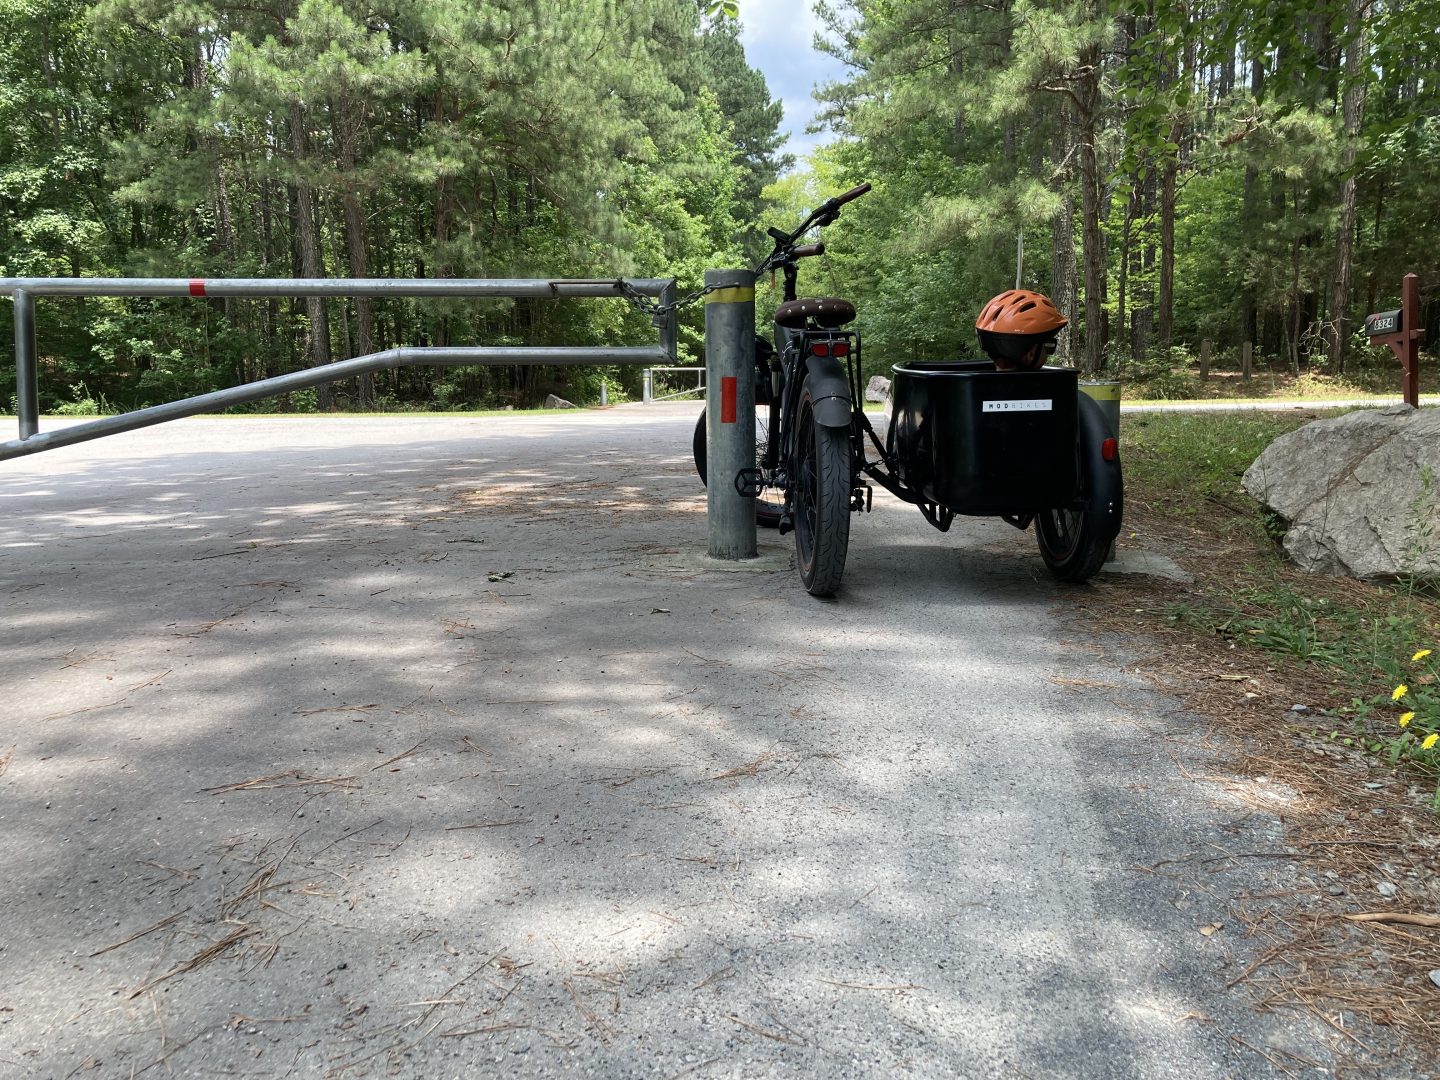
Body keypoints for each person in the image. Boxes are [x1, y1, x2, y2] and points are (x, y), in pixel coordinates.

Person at [975, 289, 1068, 371]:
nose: (1047, 353)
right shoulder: (1054, 385)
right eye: (1047, 348)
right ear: (1031, 353)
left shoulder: (977, 383)